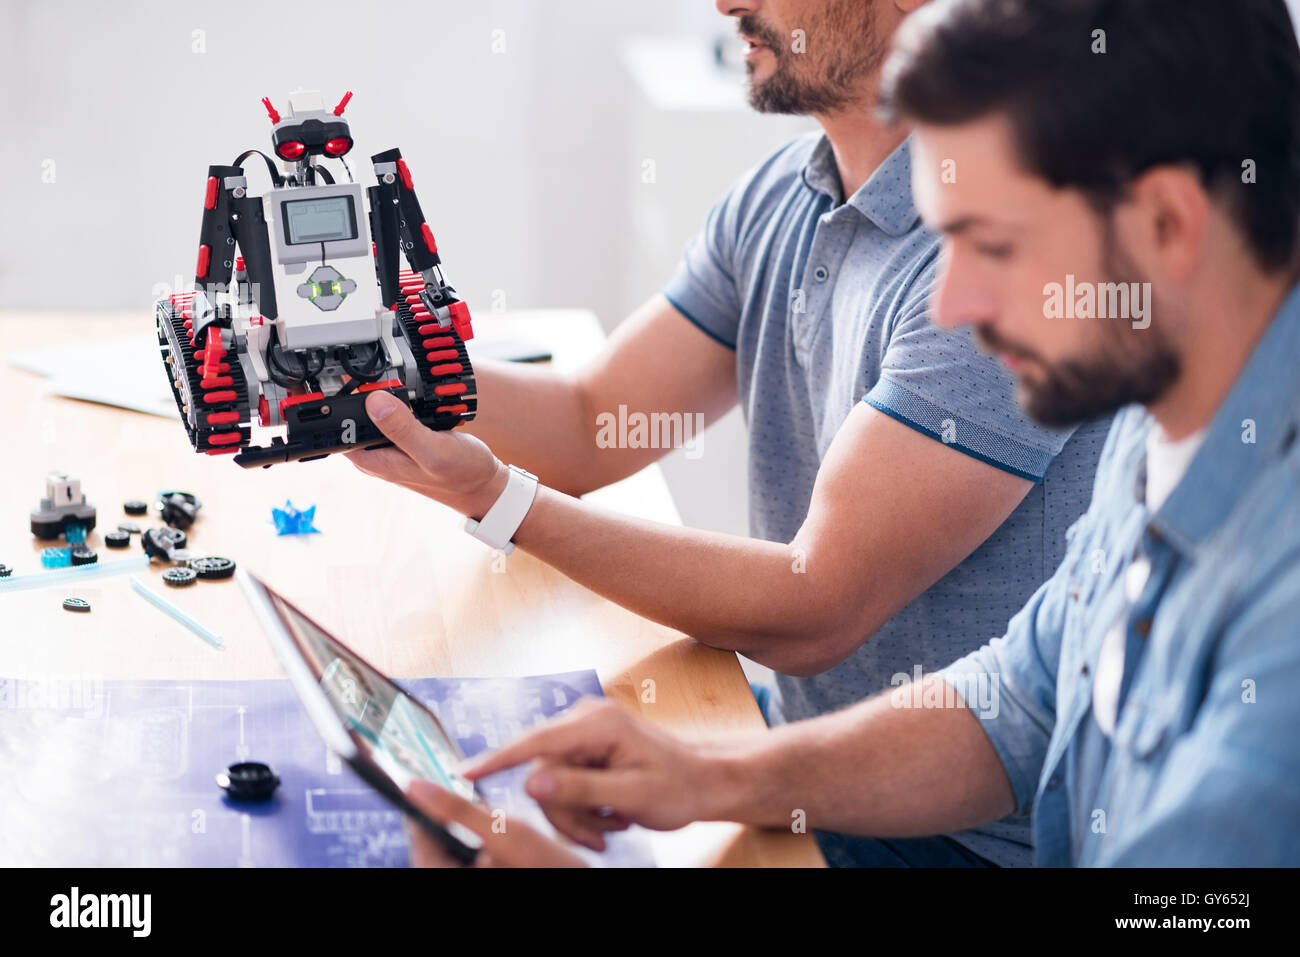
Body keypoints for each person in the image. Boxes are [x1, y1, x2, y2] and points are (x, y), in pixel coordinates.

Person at [401, 0, 1300, 867]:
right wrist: (710, 772)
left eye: (992, 246)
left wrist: (501, 498)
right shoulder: (1164, 427)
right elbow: (1020, 703)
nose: (953, 306)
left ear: (1166, 226)